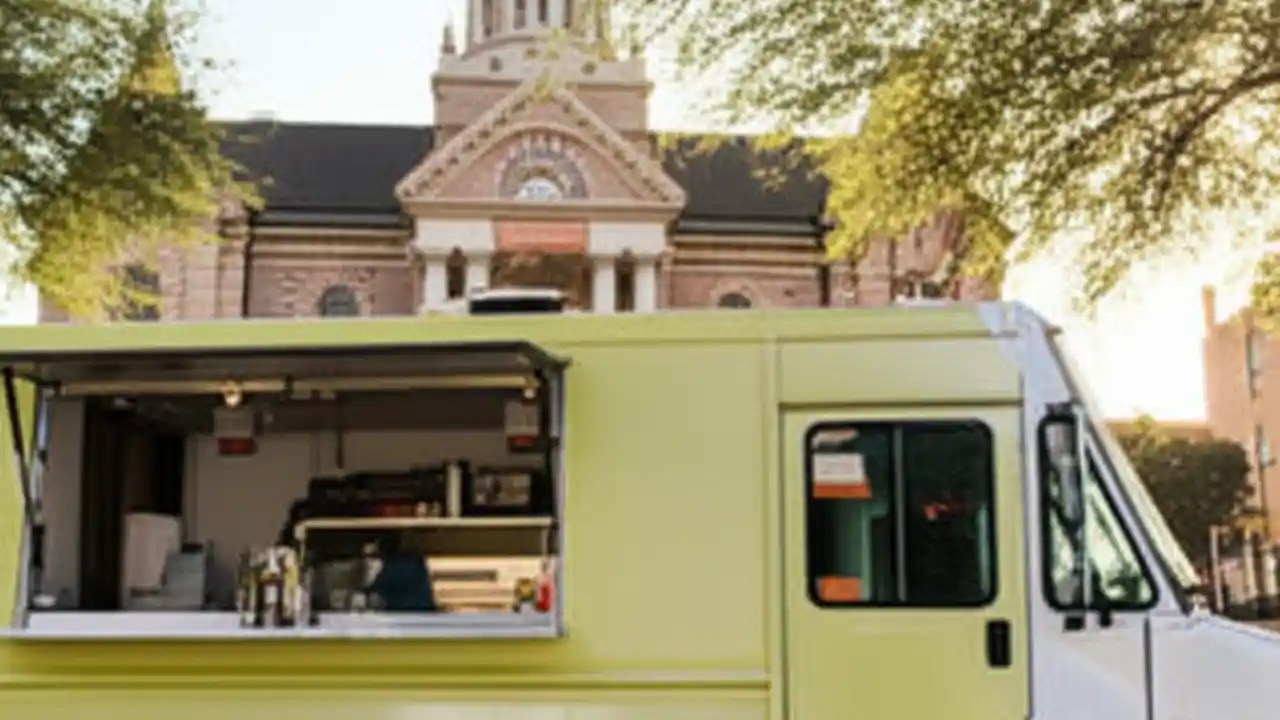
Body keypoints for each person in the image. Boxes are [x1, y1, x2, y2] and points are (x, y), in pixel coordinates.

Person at [365, 532, 437, 613]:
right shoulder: (414, 561)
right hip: (423, 609)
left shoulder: (391, 569)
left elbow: (379, 588)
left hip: (403, 611)